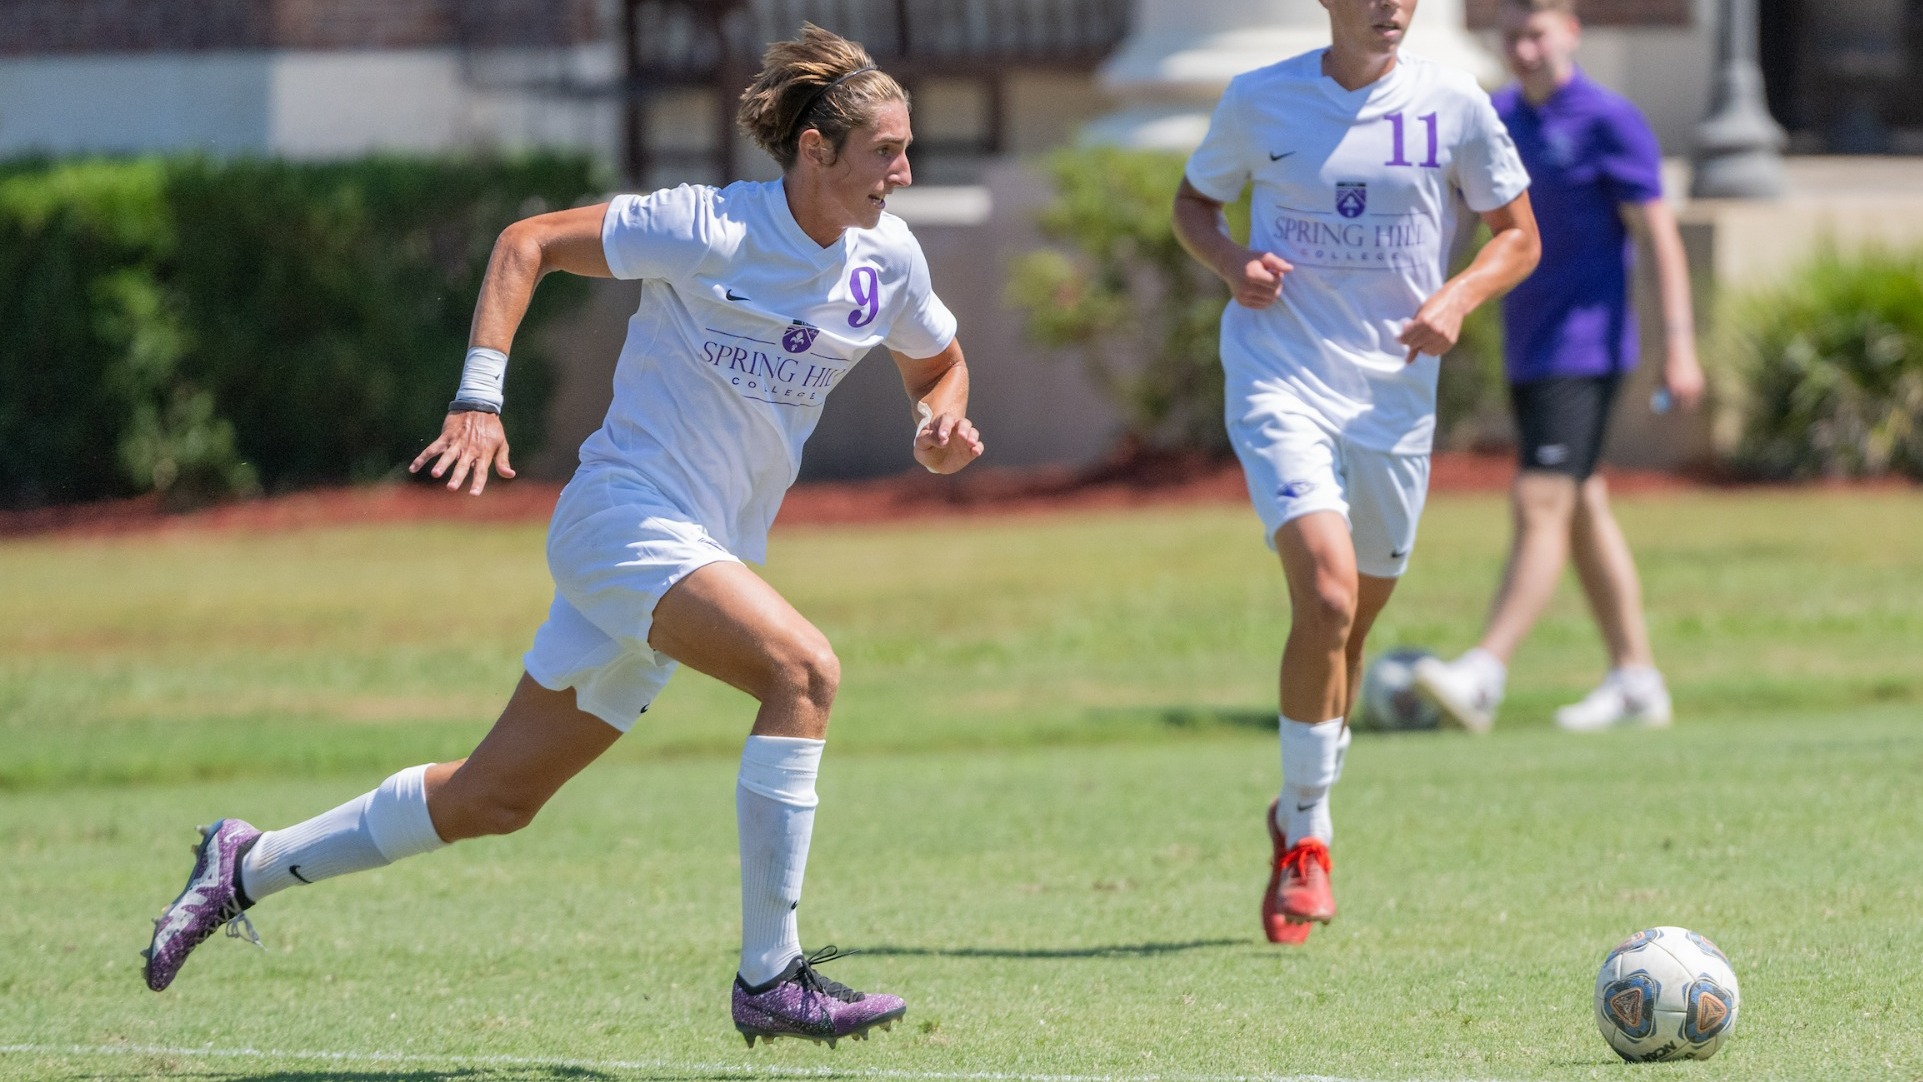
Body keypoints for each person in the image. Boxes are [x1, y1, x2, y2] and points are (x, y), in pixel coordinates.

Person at [141, 25, 983, 1049]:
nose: (904, 172)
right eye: (886, 151)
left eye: (905, 150)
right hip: (622, 518)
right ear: (816, 149)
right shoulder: (709, 225)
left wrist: (940, 424)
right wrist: (478, 398)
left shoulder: (888, 259)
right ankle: (771, 976)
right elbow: (526, 242)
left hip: (696, 555)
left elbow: (938, 364)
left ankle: (244, 863)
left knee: (494, 797)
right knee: (802, 671)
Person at [1173, 0, 1540, 944]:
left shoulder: (1454, 102)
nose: (1389, 6)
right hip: (1278, 376)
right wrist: (1230, 263)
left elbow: (1517, 235)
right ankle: (1307, 834)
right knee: (1328, 595)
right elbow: (1193, 205)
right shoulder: (1258, 98)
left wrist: (1457, 297)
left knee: (1353, 625)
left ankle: (1299, 807)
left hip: (1392, 400)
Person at [1412, 0, 1704, 734]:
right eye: (1511, 36)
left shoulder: (1609, 120)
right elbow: (1461, 219)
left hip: (1586, 349)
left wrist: (1678, 344)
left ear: (1570, 32)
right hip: (1528, 344)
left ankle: (1485, 672)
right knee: (1582, 503)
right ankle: (1636, 679)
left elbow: (1659, 237)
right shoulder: (1495, 117)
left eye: (1536, 34)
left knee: (1540, 500)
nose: (1524, 50)